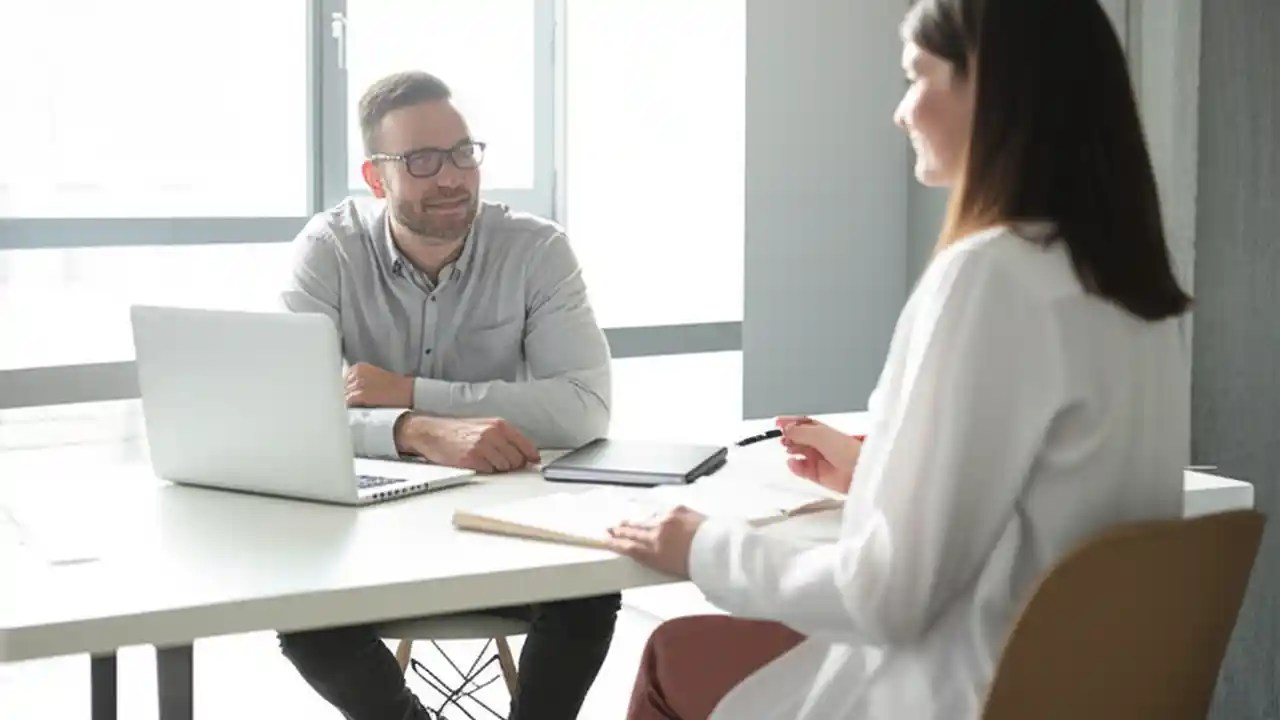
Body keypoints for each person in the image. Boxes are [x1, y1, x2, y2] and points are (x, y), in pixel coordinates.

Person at [606, 0, 1193, 718]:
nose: (902, 111)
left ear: (994, 89)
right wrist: (875, 475)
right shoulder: (1130, 294)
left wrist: (701, 546)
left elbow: (889, 597)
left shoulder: (989, 277)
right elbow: (1044, 514)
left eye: (917, 77)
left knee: (672, 652)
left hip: (962, 691)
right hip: (1084, 693)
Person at [278, 70, 619, 720]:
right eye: (423, 161)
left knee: (592, 589)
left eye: (463, 153)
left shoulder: (537, 250)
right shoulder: (328, 252)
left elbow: (582, 408)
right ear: (376, 178)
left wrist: (407, 391)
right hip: (369, 542)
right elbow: (292, 417)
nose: (453, 176)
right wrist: (412, 428)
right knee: (297, 606)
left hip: (506, 527)